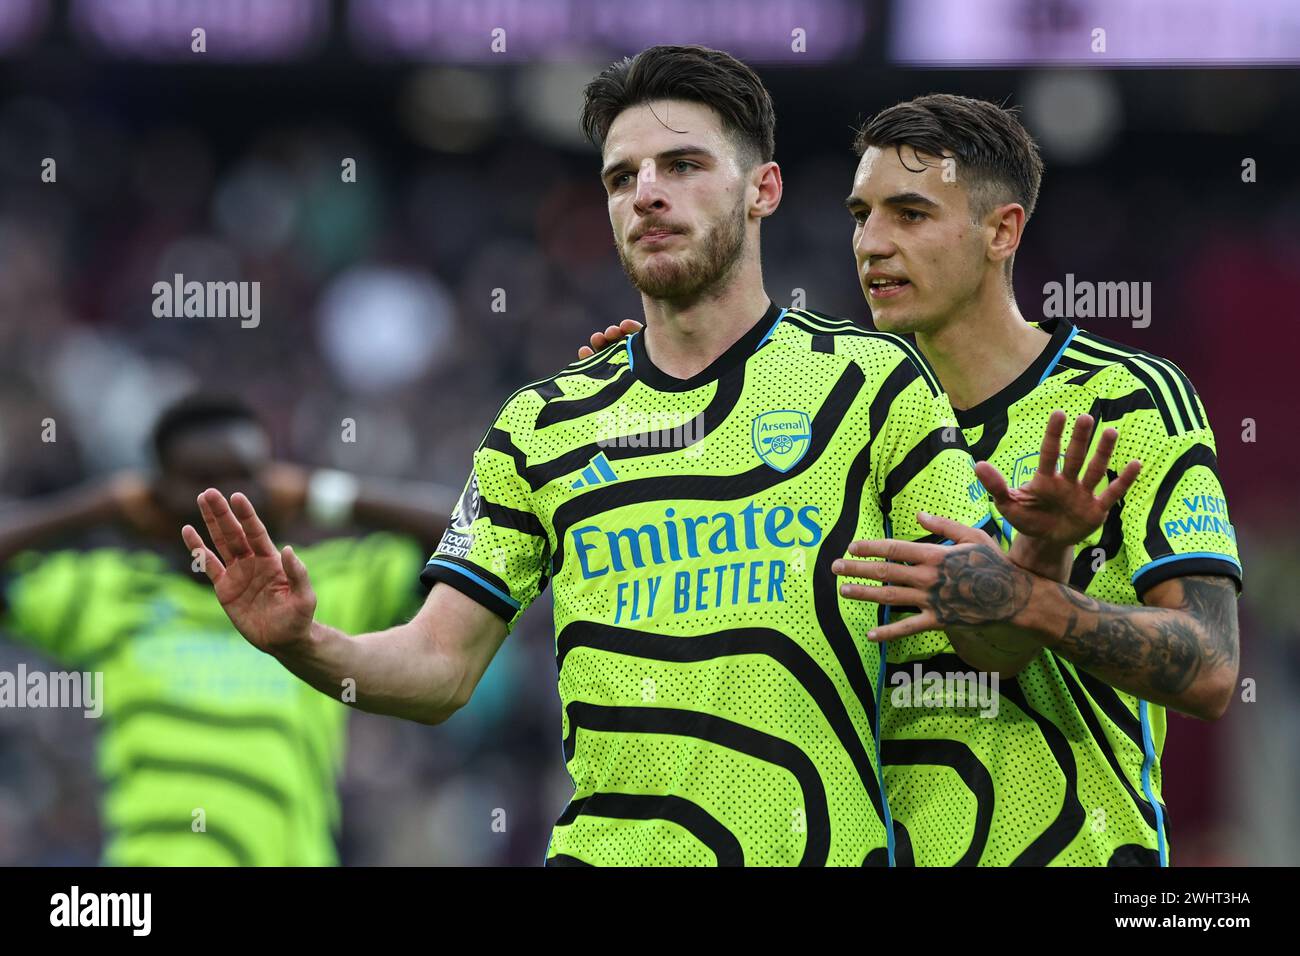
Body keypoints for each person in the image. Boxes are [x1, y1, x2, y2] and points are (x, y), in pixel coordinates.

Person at [182, 46, 997, 866]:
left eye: (683, 165)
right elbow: (440, 665)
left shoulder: (875, 385)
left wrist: (1033, 568)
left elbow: (993, 634)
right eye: (621, 177)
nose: (647, 194)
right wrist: (305, 643)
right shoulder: (542, 424)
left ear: (763, 190)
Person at [593, 94, 1242, 866]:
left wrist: (1036, 600)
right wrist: (661, 373)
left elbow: (1210, 669)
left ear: (1002, 231)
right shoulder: (823, 406)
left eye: (910, 214)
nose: (871, 244)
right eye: (860, 215)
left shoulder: (1125, 402)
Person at [0, 392, 450, 864]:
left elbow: (475, 543)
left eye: (245, 475)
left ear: (274, 483)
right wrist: (102, 506)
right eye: (201, 481)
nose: (226, 498)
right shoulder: (109, 593)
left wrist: (322, 494)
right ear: (155, 493)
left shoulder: (314, 587)